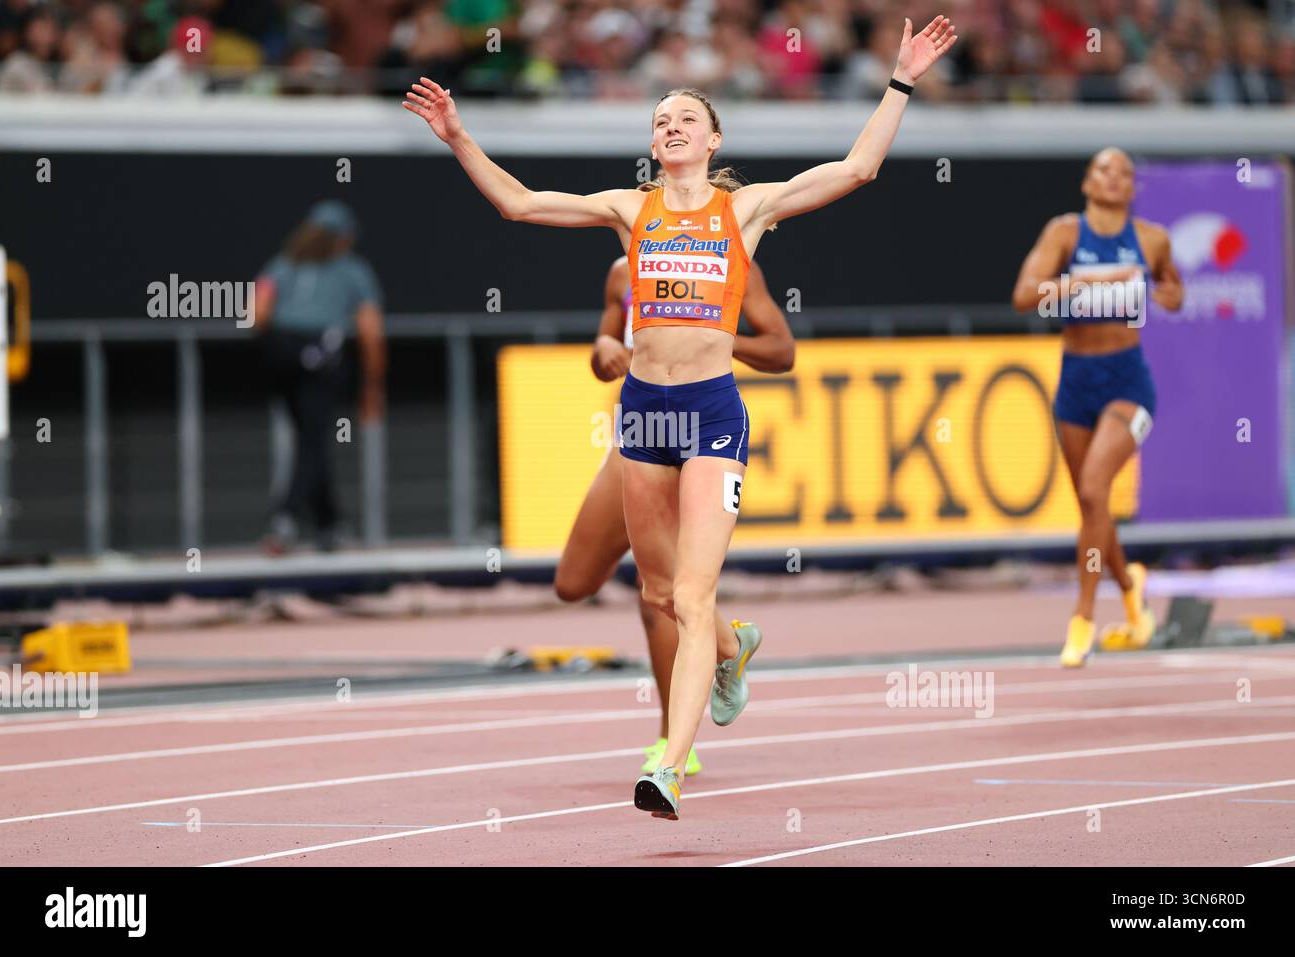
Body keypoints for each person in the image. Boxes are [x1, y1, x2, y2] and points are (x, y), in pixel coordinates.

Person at [403, 12, 956, 819]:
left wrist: (900, 79)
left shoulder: (747, 211)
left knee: (692, 596)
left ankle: (669, 764)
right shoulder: (631, 210)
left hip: (709, 414)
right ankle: (735, 647)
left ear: (713, 139)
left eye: (686, 118)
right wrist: (458, 137)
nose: (671, 126)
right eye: (661, 119)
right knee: (660, 591)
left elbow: (859, 167)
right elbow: (520, 205)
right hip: (641, 418)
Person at [555, 255, 794, 778]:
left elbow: (782, 351)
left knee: (661, 593)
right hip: (639, 435)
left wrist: (718, 341)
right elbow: (605, 349)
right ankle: (731, 643)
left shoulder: (730, 262)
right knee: (573, 583)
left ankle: (672, 742)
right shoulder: (622, 272)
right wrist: (602, 349)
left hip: (700, 434)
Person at [1011, 147, 1183, 668]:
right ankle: (1131, 591)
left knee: (1093, 489)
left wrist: (1170, 297)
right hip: (1076, 384)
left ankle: (1082, 619)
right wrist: (1088, 282)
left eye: (1125, 172)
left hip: (1128, 383)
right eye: (1104, 169)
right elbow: (1024, 296)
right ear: (1087, 182)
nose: (1114, 178)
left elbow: (1174, 287)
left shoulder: (1151, 239)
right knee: (1093, 508)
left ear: (1133, 189)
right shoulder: (1065, 233)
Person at [253, 200, 386, 554]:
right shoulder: (352, 271)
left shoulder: (282, 265)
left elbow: (257, 312)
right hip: (320, 358)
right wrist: (372, 386)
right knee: (312, 441)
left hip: (280, 356)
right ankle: (285, 518)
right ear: (343, 238)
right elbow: (371, 331)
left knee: (309, 439)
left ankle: (329, 523)